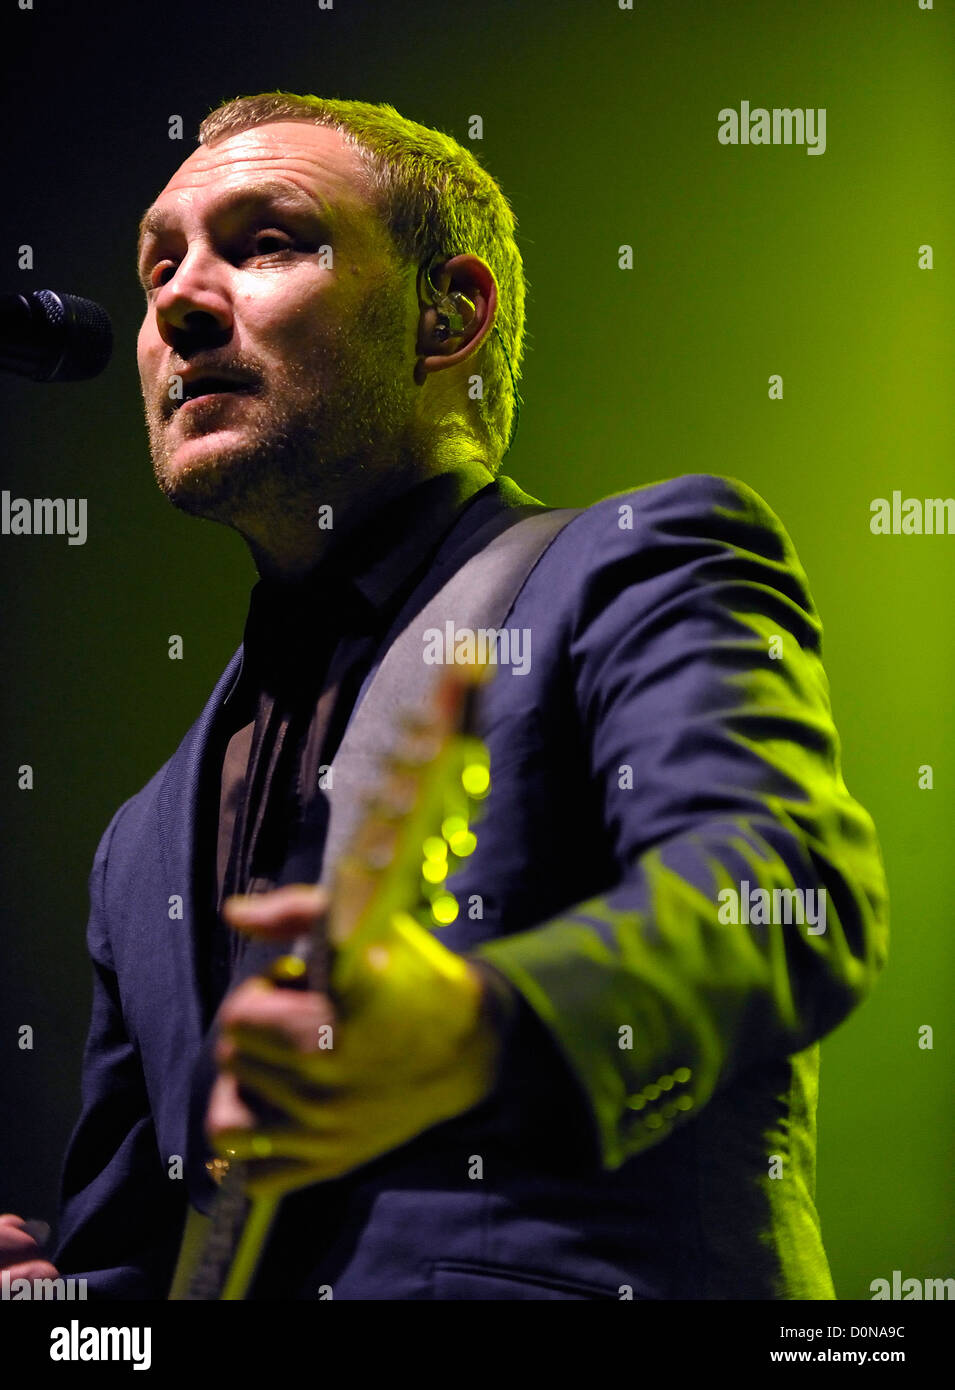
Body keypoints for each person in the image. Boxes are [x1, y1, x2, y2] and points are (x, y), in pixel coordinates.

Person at [0, 92, 888, 1300]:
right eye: (160, 262)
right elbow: (142, 1275)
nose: (177, 299)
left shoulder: (634, 561)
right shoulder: (142, 834)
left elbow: (786, 886)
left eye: (265, 242)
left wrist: (478, 1027)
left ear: (448, 312)